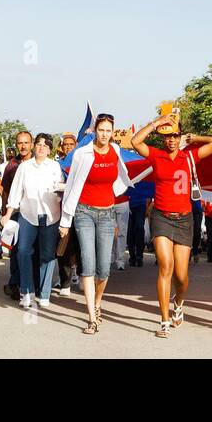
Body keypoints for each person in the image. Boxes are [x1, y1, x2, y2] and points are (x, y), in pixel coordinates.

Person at [131, 114, 212, 338]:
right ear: (163, 139)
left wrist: (195, 138)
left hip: (184, 219)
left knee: (181, 276)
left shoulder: (190, 156)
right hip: (161, 217)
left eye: (175, 135)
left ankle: (178, 302)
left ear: (180, 136)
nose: (171, 140)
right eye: (167, 136)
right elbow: (135, 142)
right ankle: (163, 321)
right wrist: (156, 122)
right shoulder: (157, 156)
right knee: (165, 266)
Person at [59, 114, 132, 334]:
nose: (105, 134)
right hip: (84, 213)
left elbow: (121, 175)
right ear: (95, 131)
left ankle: (98, 302)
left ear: (112, 132)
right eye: (101, 130)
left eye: (109, 130)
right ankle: (91, 317)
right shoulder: (81, 154)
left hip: (107, 213)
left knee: (103, 269)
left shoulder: (116, 151)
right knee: (88, 266)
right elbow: (71, 186)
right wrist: (65, 220)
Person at [0, 132, 63, 309]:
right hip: (27, 215)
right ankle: (26, 292)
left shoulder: (54, 167)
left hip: (51, 216)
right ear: (34, 146)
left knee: (47, 256)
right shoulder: (24, 167)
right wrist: (7, 213)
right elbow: (15, 192)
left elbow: (60, 190)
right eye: (39, 144)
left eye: (45, 144)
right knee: (23, 251)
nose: (41, 147)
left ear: (50, 149)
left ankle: (44, 293)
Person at [0, 130, 33, 299]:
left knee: (27, 249)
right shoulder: (12, 165)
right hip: (15, 213)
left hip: (33, 214)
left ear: (32, 144)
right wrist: (5, 212)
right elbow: (5, 189)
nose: (23, 146)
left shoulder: (38, 164)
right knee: (15, 250)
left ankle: (29, 283)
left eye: (26, 142)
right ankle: (15, 283)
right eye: (20, 143)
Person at [126, 177, 152, 267]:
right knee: (130, 231)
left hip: (141, 205)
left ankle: (139, 256)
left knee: (139, 228)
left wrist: (147, 207)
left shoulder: (144, 174)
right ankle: (132, 256)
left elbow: (149, 193)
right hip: (127, 204)